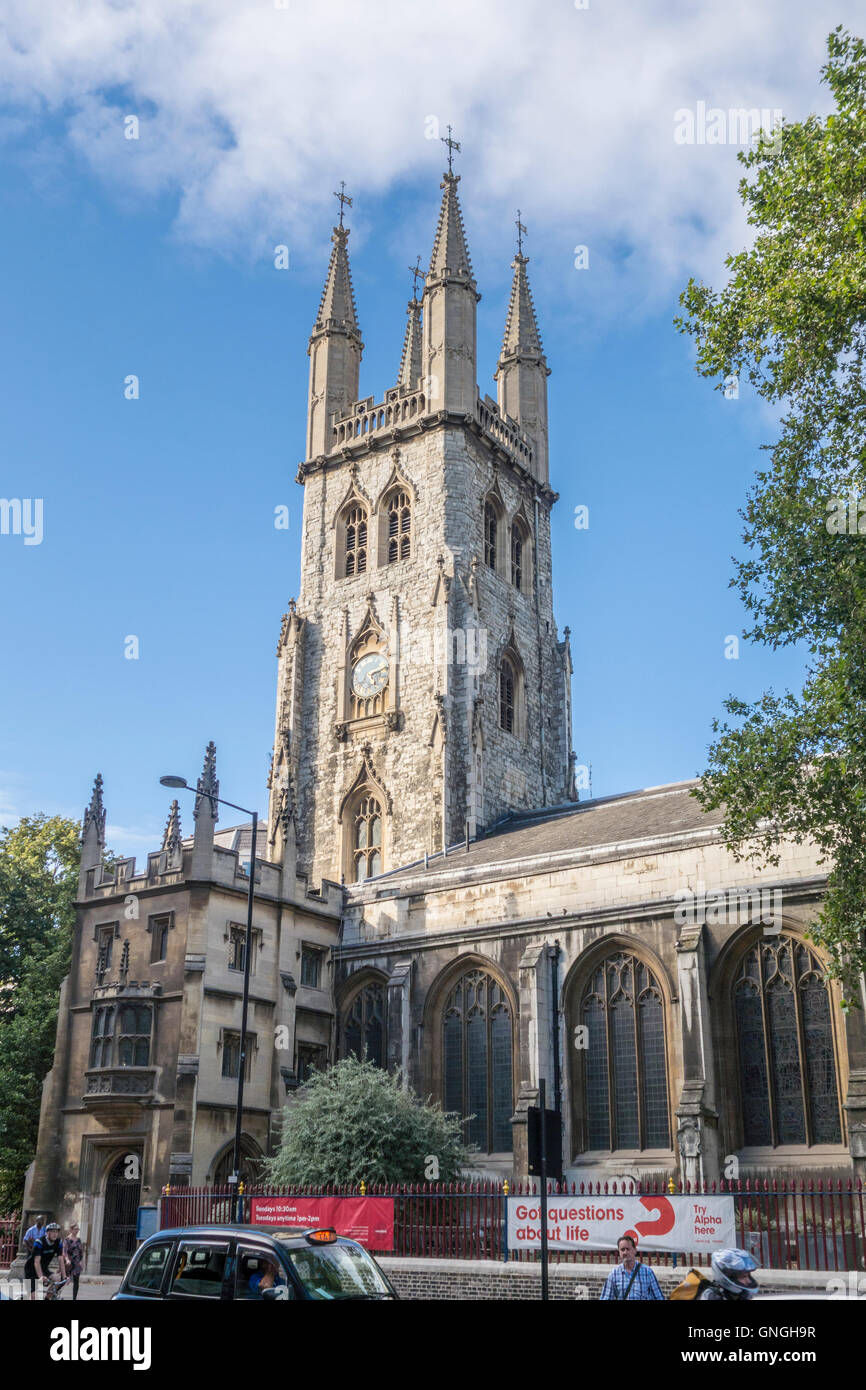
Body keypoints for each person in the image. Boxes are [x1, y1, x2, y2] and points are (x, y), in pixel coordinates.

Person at [599, 1233, 664, 1300]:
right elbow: (606, 1298)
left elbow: (659, 1297)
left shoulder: (647, 1272)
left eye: (628, 1249)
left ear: (635, 1250)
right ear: (619, 1252)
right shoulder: (614, 1274)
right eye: (622, 1249)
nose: (625, 1252)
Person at [29, 1222, 67, 1300]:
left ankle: (47, 1298)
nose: (55, 1234)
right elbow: (36, 1261)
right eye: (52, 1231)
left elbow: (60, 1259)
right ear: (47, 1233)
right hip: (31, 1270)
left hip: (44, 1268)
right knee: (33, 1297)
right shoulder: (39, 1242)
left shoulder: (58, 1242)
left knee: (57, 1279)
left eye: (56, 1232)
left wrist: (64, 1275)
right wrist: (41, 1277)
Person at [62, 1223, 84, 1301]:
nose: (77, 1231)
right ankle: (56, 1293)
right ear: (71, 1230)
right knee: (64, 1280)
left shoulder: (79, 1240)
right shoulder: (67, 1240)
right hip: (69, 1263)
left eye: (78, 1229)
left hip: (77, 1263)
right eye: (75, 1229)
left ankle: (74, 1298)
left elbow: (81, 1251)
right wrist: (67, 1260)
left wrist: (81, 1261)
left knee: (76, 1281)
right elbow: (64, 1252)